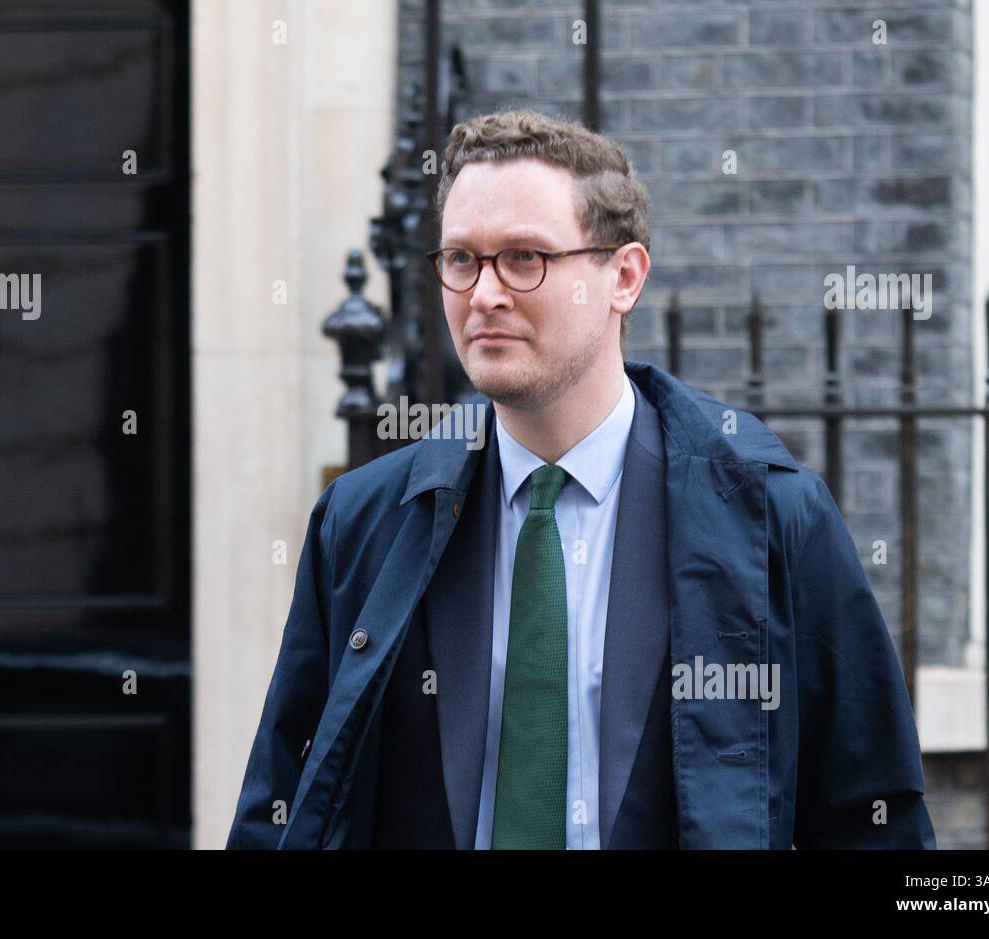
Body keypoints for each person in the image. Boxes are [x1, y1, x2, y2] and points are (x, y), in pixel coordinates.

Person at [227, 108, 936, 850]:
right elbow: (283, 803)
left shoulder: (770, 513)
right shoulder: (363, 521)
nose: (484, 294)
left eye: (526, 257)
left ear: (622, 276)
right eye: (462, 259)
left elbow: (874, 818)